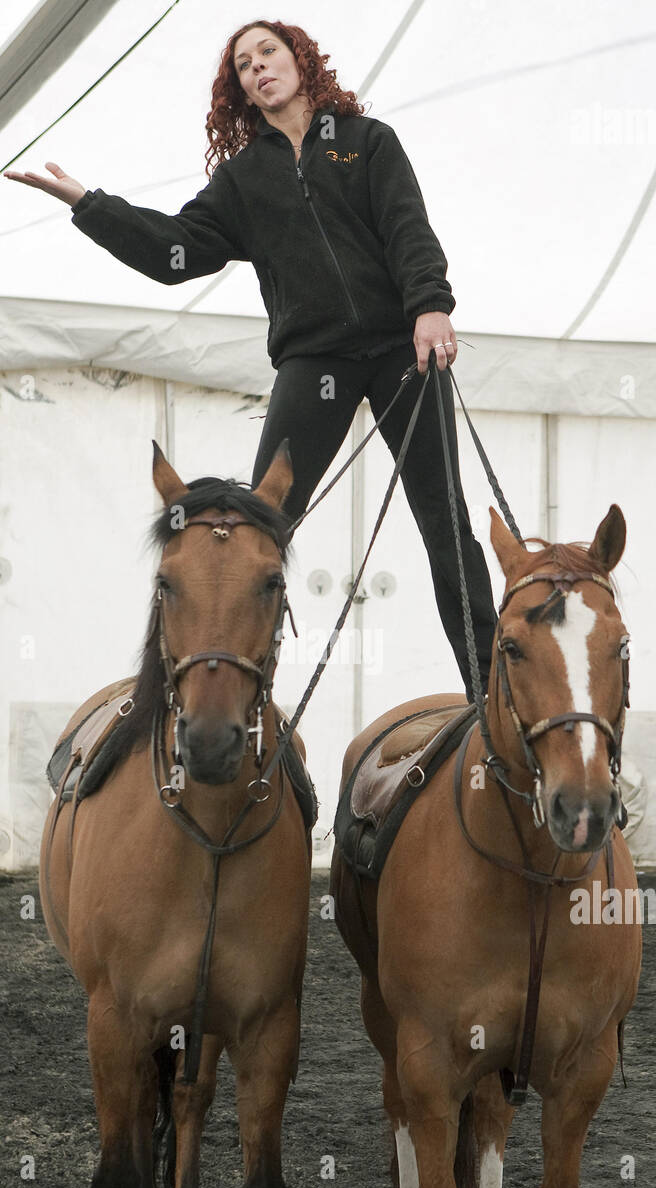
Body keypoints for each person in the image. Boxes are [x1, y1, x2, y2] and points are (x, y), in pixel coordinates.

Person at [4, 18, 496, 700]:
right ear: (237, 89)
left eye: (268, 52)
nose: (257, 66)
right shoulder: (244, 179)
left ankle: (489, 695)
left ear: (300, 60)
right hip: (313, 361)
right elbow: (172, 253)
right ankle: (210, 703)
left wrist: (430, 305)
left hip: (398, 351)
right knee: (251, 533)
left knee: (446, 524)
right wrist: (89, 205)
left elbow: (406, 228)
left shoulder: (365, 142)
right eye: (242, 64)